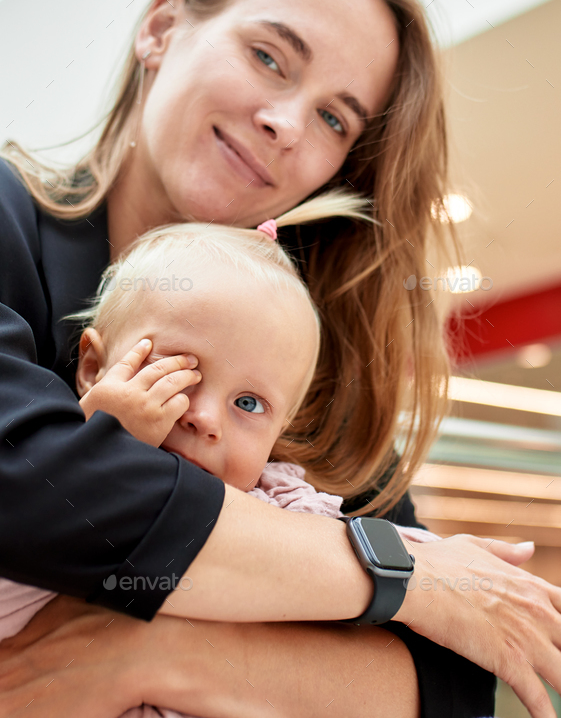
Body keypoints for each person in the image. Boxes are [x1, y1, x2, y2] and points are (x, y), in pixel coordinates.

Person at [0, 0, 561, 718]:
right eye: (269, 56)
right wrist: (408, 574)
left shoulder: (314, 379)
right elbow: (30, 481)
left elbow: (449, 681)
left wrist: (151, 652)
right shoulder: (9, 219)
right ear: (163, 26)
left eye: (335, 120)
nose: (285, 121)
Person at [0, 206, 439, 718]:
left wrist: (446, 565)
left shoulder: (284, 511)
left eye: (249, 404)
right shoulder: (37, 479)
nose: (204, 418)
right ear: (94, 366)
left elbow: (400, 566)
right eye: (176, 372)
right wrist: (98, 435)